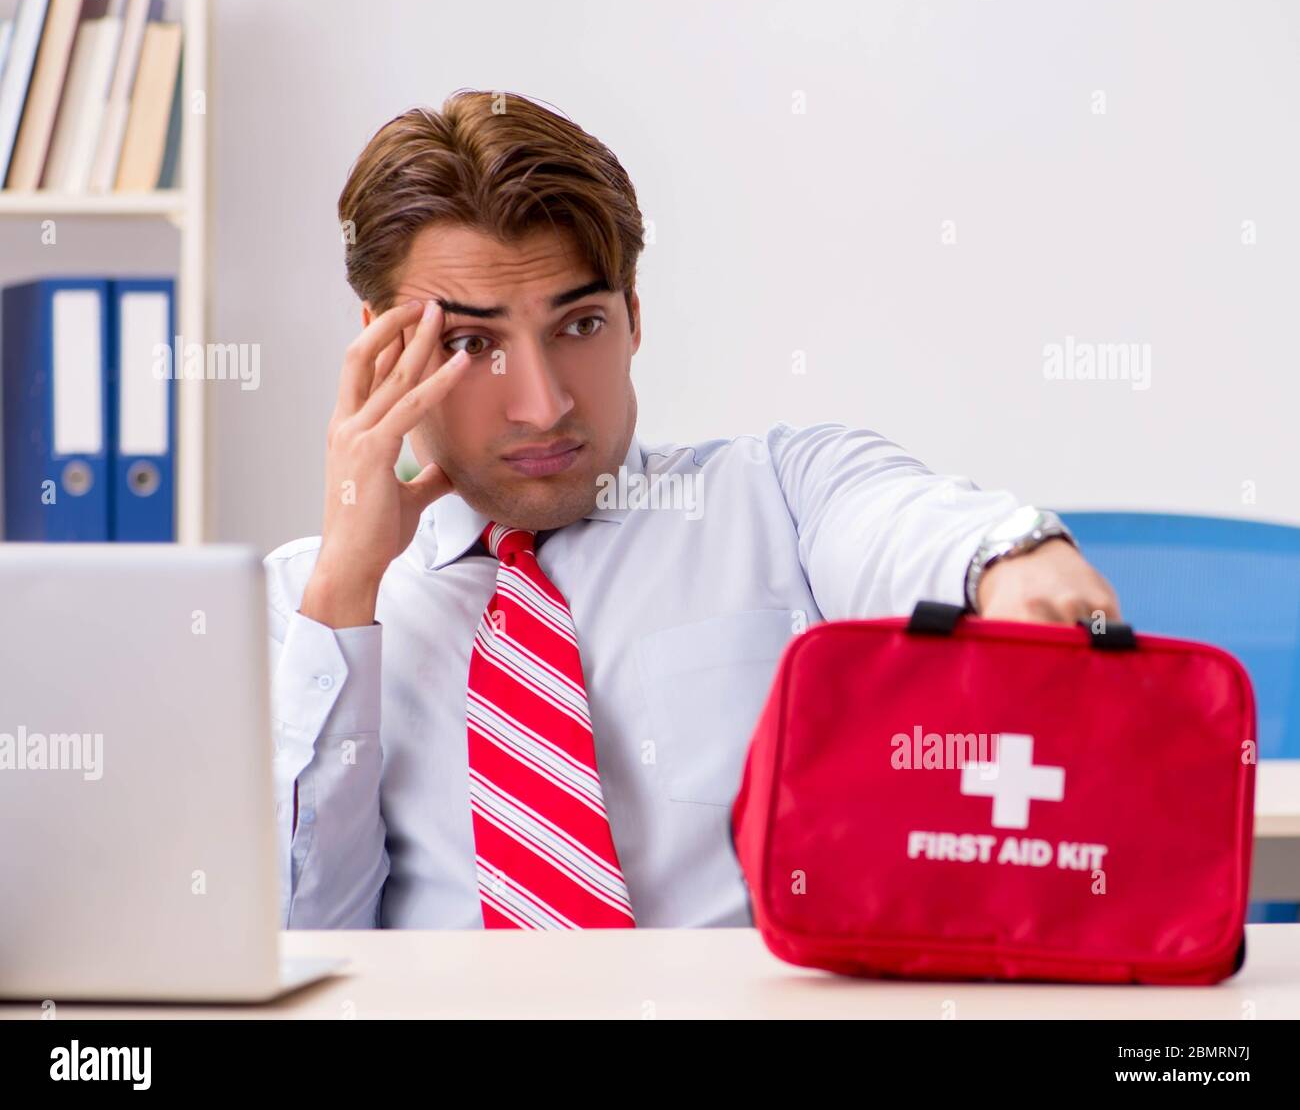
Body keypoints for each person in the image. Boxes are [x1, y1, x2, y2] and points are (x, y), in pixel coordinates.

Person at [267, 89, 1120, 930]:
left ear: (634, 317)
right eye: (470, 343)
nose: (541, 404)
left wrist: (1016, 561)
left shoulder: (779, 495)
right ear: (383, 347)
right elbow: (303, 941)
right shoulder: (300, 607)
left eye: (580, 325)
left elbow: (904, 521)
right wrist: (348, 585)